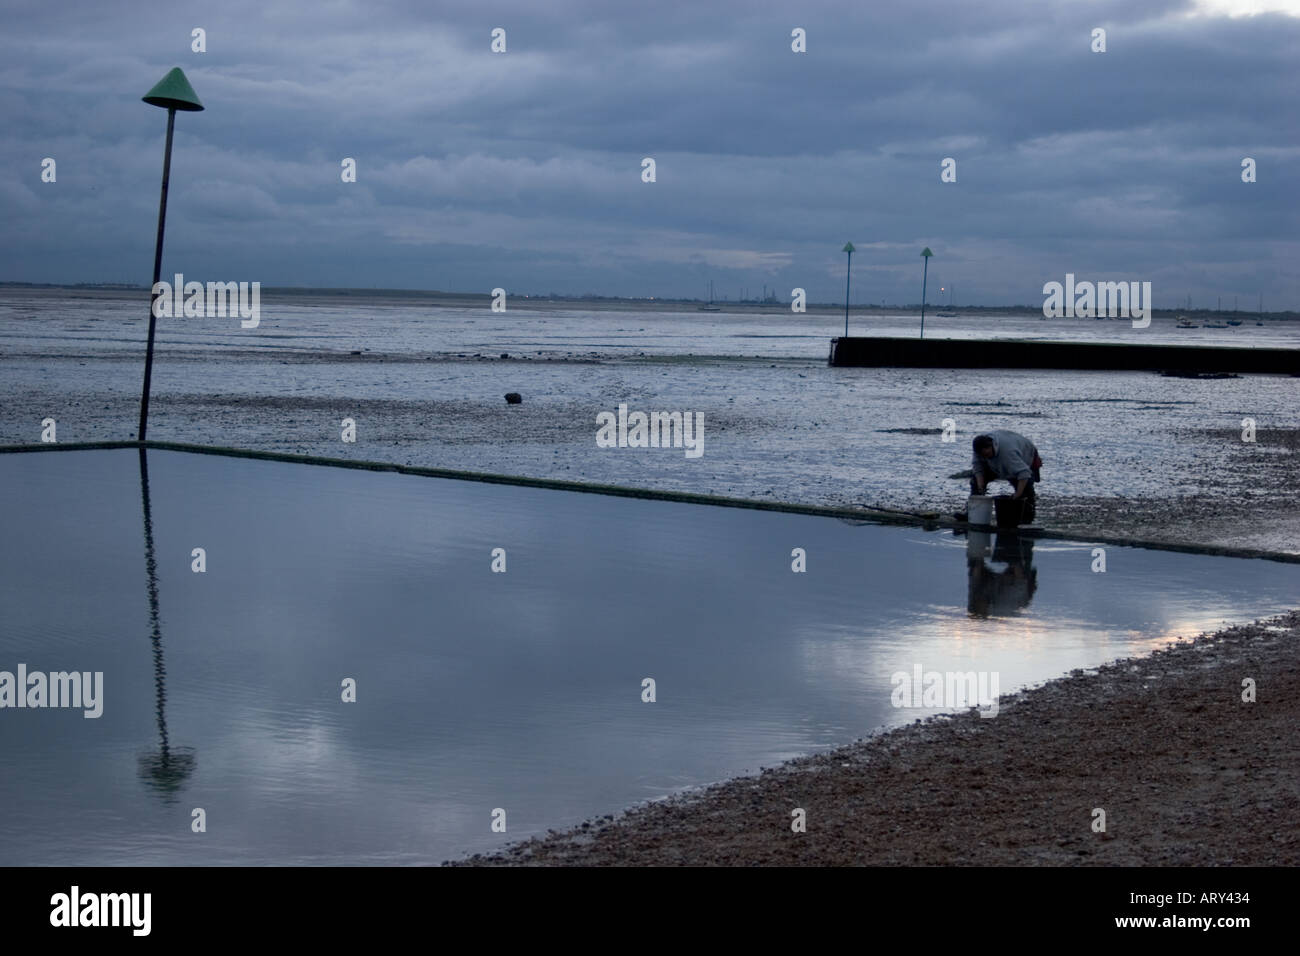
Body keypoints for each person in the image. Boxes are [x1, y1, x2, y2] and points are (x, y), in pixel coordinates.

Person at [968, 430, 1042, 524]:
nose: (985, 458)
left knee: (1025, 490)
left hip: (1026, 454)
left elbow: (1024, 473)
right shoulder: (979, 450)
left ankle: (1027, 518)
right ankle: (971, 513)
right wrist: (980, 485)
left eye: (986, 455)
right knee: (975, 481)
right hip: (1002, 457)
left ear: (991, 446)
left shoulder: (1008, 454)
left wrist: (1018, 494)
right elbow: (978, 467)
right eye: (982, 456)